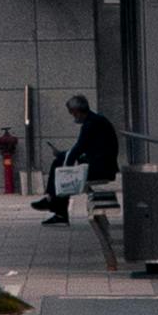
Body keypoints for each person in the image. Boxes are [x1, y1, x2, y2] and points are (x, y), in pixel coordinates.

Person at [41, 95, 120, 224]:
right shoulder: (97, 120)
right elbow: (83, 148)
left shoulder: (90, 124)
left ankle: (53, 202)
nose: (73, 117)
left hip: (100, 168)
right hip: (103, 165)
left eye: (72, 114)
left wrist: (65, 162)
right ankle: (53, 203)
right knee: (61, 163)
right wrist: (64, 156)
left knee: (60, 167)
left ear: (77, 111)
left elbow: (79, 148)